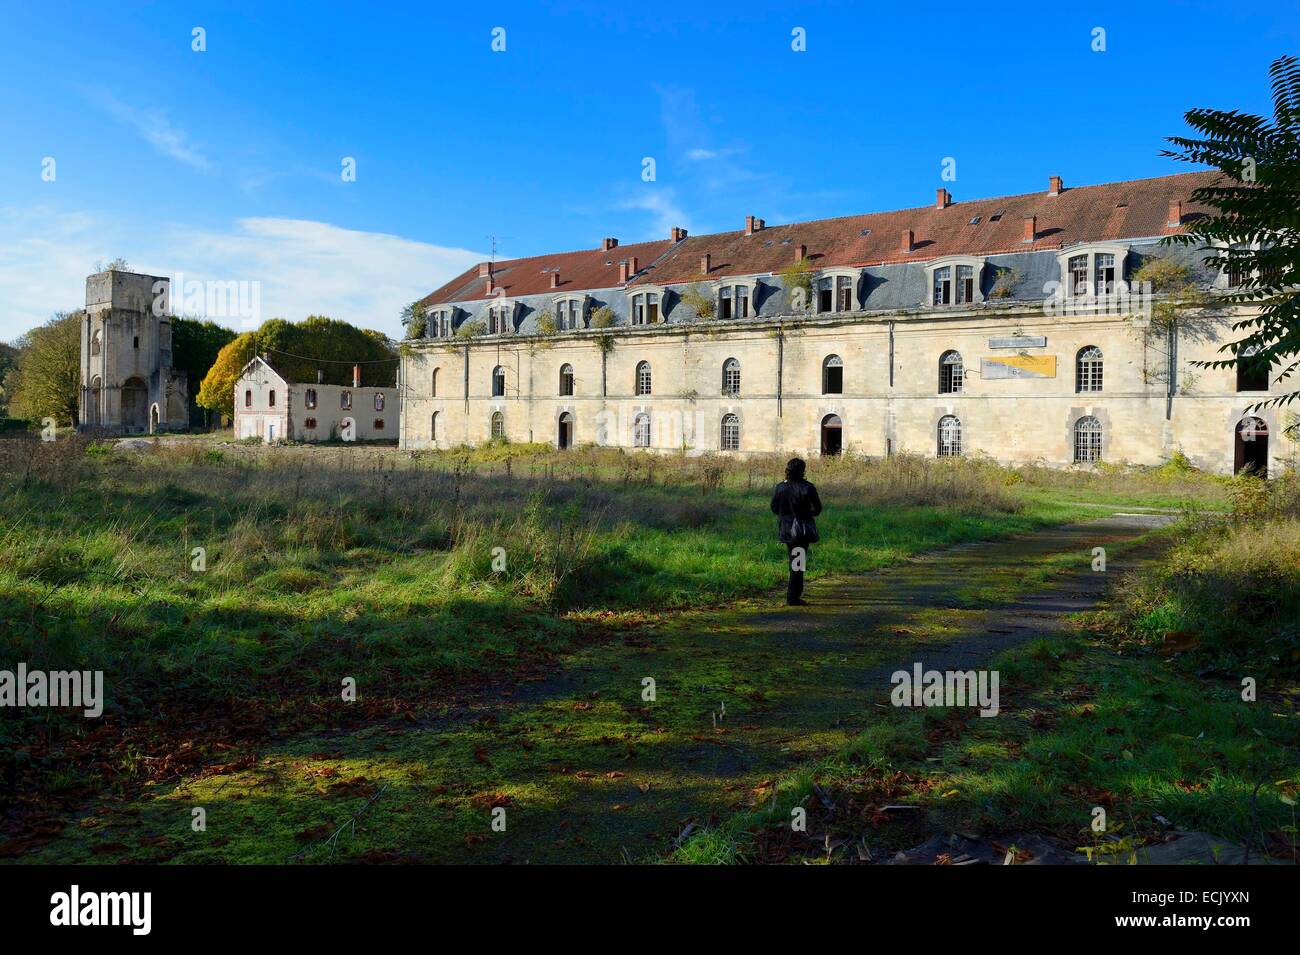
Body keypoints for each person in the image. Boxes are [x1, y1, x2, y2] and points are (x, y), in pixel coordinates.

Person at [770, 457, 822, 606]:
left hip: (786, 528)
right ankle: (793, 597)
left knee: (795, 562)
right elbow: (817, 509)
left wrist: (786, 515)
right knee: (798, 564)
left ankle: (794, 595)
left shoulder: (780, 487)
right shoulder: (808, 487)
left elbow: (774, 507)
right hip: (801, 530)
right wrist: (804, 513)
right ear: (803, 470)